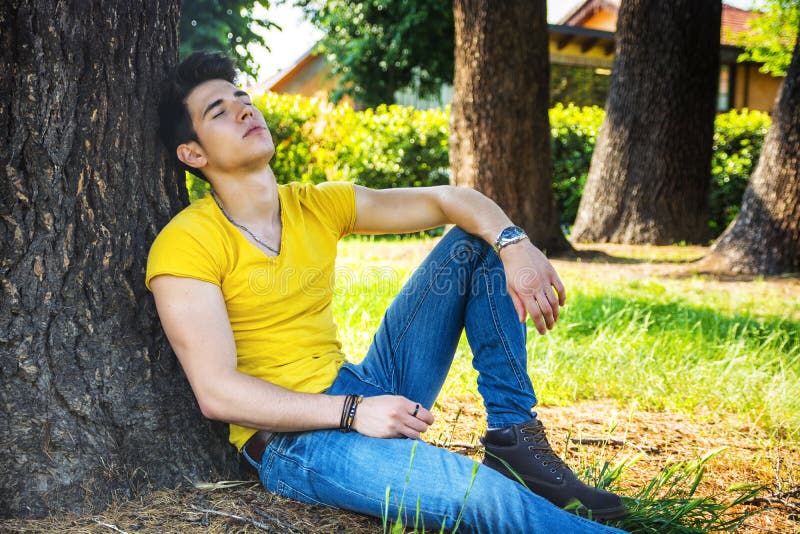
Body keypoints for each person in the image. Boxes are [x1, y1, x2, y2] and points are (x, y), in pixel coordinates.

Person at [147, 51, 626, 533]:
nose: (244, 110)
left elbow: (448, 199)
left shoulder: (315, 204)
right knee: (483, 498)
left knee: (476, 239)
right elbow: (217, 392)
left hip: (363, 385)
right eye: (219, 111)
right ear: (193, 154)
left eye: (243, 99)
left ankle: (513, 437)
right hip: (295, 440)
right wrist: (353, 412)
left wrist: (514, 243)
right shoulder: (188, 242)